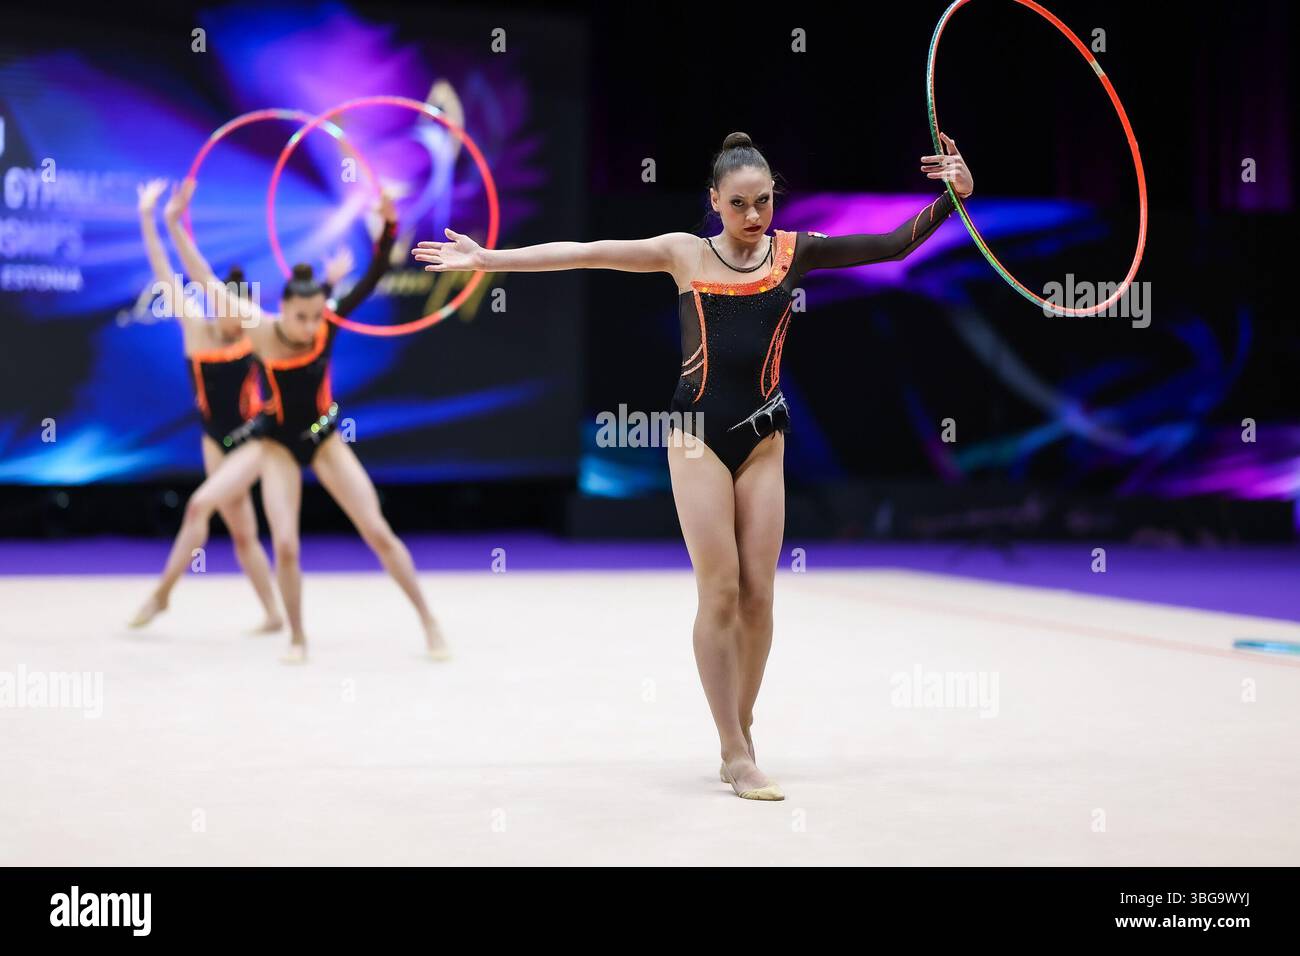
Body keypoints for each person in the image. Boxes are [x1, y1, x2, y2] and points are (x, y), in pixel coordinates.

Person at [412, 131, 973, 798]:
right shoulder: (683, 254)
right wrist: (489, 258)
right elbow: (585, 254)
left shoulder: (794, 252)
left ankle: (742, 723)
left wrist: (952, 198)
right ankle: (734, 752)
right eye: (738, 204)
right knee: (722, 588)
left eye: (763, 202)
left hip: (765, 436)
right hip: (695, 436)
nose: (753, 217)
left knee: (761, 596)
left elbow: (894, 243)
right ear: (714, 201)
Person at [132, 179, 449, 663]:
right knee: (285, 545)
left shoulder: (327, 320)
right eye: (302, 319)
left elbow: (375, 272)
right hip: (277, 443)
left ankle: (429, 621)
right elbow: (201, 281)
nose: (310, 328)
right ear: (285, 310)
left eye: (317, 317)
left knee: (378, 532)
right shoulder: (257, 329)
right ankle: (297, 637)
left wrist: (389, 223)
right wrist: (172, 224)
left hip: (324, 438)